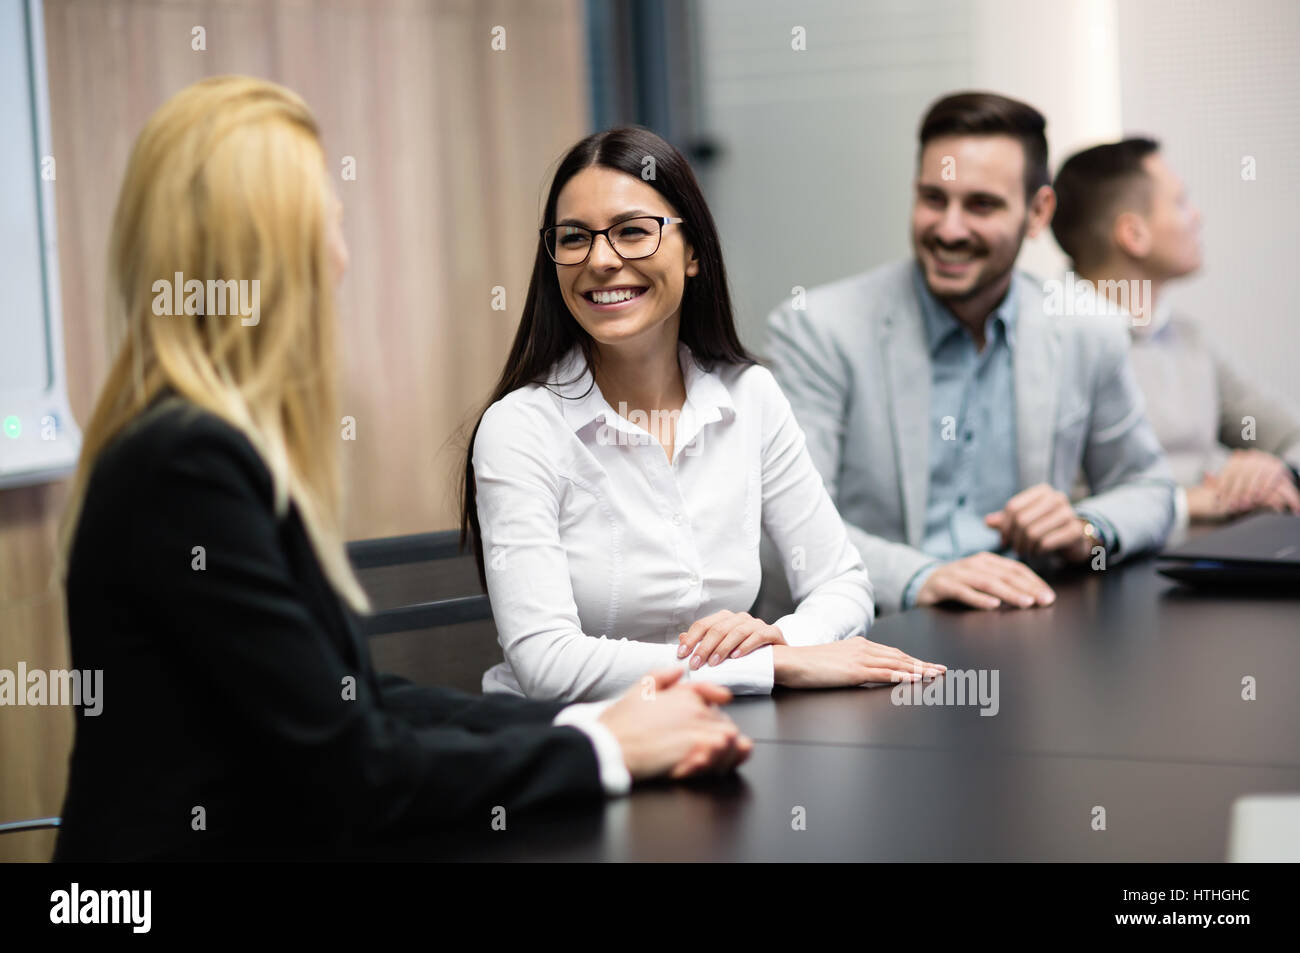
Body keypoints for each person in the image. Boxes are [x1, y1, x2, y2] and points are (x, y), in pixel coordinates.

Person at [54, 77, 754, 862]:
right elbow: (349, 769)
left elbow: (360, 701)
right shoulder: (187, 466)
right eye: (329, 229)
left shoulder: (201, 447)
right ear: (272, 257)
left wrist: (590, 723)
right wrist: (606, 751)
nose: (342, 262)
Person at [461, 126, 944, 703]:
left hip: (717, 732)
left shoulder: (750, 397)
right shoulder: (521, 428)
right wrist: (773, 667)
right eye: (574, 239)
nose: (601, 260)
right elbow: (548, 664)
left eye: (633, 232)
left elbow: (842, 583)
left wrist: (784, 639)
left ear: (693, 252)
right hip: (572, 749)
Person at [765, 92, 1176, 617]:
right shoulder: (819, 330)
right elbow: (787, 530)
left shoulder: (1086, 328)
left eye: (981, 205)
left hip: (1030, 623)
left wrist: (1084, 528)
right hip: (882, 633)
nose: (949, 229)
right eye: (934, 199)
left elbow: (1149, 487)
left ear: (1038, 212)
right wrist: (924, 578)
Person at [1051, 137, 1300, 523]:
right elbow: (1055, 504)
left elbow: (1288, 435)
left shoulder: (1188, 338)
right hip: (1107, 568)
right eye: (1181, 203)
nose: (1197, 217)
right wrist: (1188, 503)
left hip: (1212, 549)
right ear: (1134, 234)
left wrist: (1271, 472)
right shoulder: (1053, 341)